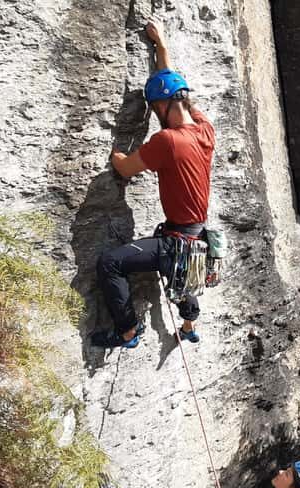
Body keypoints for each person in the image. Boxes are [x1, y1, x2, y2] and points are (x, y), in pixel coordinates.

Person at [91, 19, 215, 349]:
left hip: (176, 242)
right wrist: (161, 47)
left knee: (111, 263)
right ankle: (188, 325)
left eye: (154, 107)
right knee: (186, 272)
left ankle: (127, 331)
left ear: (161, 106)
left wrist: (113, 148)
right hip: (196, 236)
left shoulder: (167, 141)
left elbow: (125, 169)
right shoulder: (204, 128)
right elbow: (172, 86)